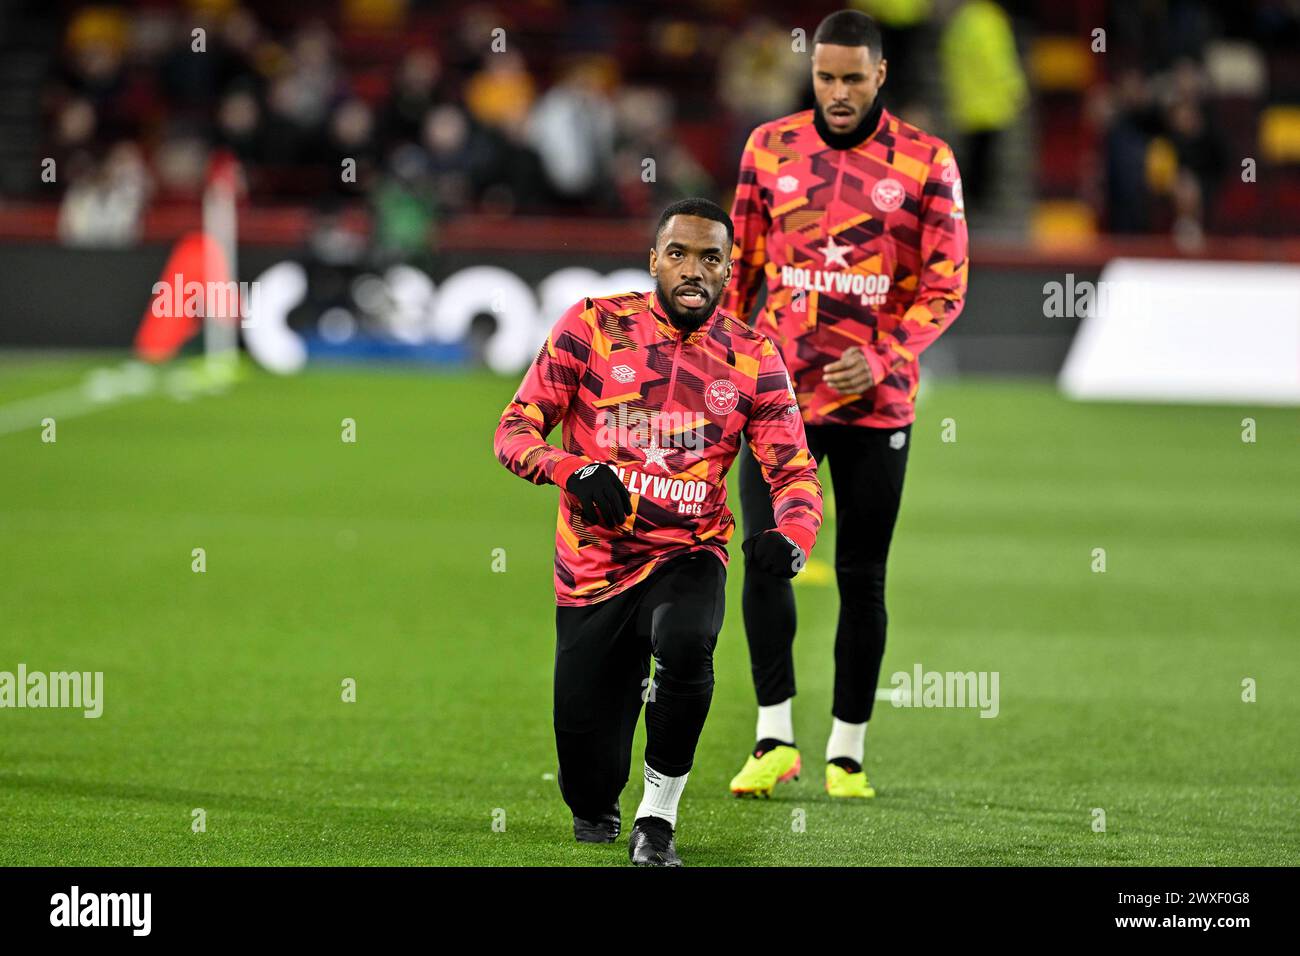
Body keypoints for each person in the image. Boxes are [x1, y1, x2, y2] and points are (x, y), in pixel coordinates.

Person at [493, 198, 823, 865]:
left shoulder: (754, 355)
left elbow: (794, 472)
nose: (693, 270)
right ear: (654, 261)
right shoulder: (591, 326)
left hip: (689, 552)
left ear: (730, 271)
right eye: (678, 254)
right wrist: (572, 470)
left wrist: (792, 537)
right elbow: (514, 430)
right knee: (587, 785)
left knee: (688, 642)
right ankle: (605, 803)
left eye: (710, 258)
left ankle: (658, 819)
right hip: (593, 569)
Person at [723, 10, 968, 800]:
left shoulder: (927, 161)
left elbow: (947, 284)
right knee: (765, 559)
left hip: (876, 405)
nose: (836, 91)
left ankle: (848, 753)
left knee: (863, 575)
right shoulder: (769, 148)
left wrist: (887, 352)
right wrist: (717, 364)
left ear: (881, 76)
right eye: (825, 77)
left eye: (852, 78)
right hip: (778, 398)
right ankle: (774, 736)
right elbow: (740, 270)